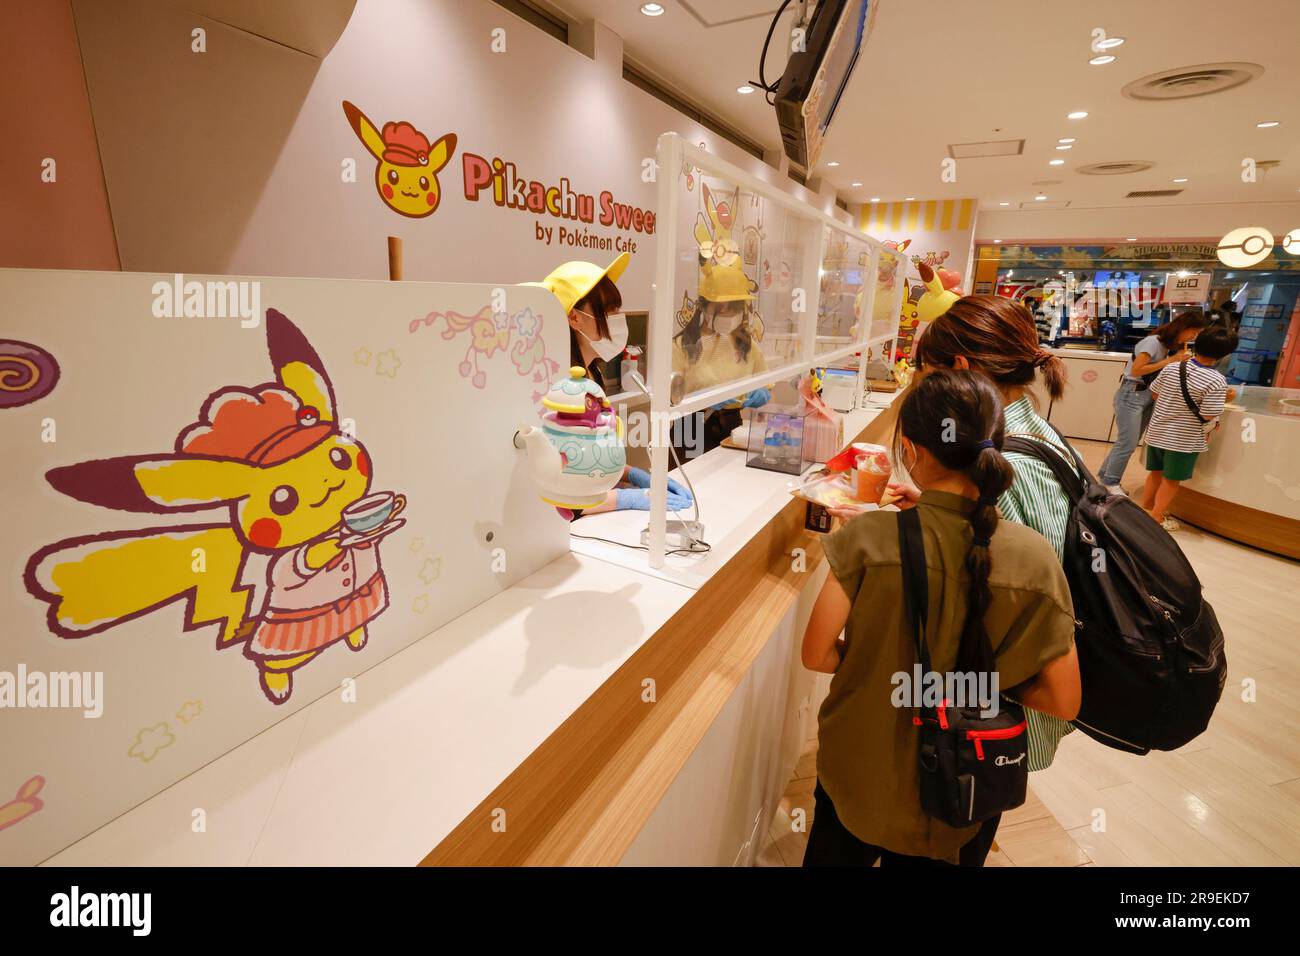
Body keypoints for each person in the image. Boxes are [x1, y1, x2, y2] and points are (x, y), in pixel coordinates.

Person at [800, 368, 1080, 867]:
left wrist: (874, 666)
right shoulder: (1036, 560)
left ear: (910, 449)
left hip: (858, 765)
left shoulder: (867, 540)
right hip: (963, 783)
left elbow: (817, 654)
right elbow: (1063, 699)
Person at [907, 295, 1078, 772]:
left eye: (926, 370)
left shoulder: (1007, 463)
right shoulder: (1041, 435)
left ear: (959, 366)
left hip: (991, 718)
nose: (923, 383)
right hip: (1006, 695)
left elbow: (1012, 592)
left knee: (958, 823)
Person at [530, 254, 693, 516]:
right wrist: (628, 497)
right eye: (609, 311)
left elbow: (588, 459)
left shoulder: (593, 375)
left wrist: (633, 474)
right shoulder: (561, 387)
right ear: (574, 318)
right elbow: (565, 489)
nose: (619, 318)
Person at [672, 251, 771, 458]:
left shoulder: (747, 345)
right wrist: (699, 400)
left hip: (733, 424)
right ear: (703, 305)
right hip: (690, 426)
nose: (726, 314)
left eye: (732, 308)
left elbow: (766, 383)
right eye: (720, 308)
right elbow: (669, 399)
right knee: (690, 485)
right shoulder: (683, 346)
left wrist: (761, 393)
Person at [1097, 311, 1208, 492]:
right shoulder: (1153, 343)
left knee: (1127, 442)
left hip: (1147, 396)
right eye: (1193, 333)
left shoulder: (1166, 346)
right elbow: (1136, 370)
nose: (1194, 337)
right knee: (1128, 442)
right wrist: (1171, 361)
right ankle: (1111, 482)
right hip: (1131, 394)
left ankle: (1104, 476)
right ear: (1183, 328)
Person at [1141, 325, 1239, 530]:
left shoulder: (1172, 367)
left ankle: (1146, 509)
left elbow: (1155, 394)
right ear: (1224, 354)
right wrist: (1226, 397)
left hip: (1157, 432)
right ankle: (1156, 518)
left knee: (1155, 473)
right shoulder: (1216, 380)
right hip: (1182, 440)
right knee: (1171, 480)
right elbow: (1207, 414)